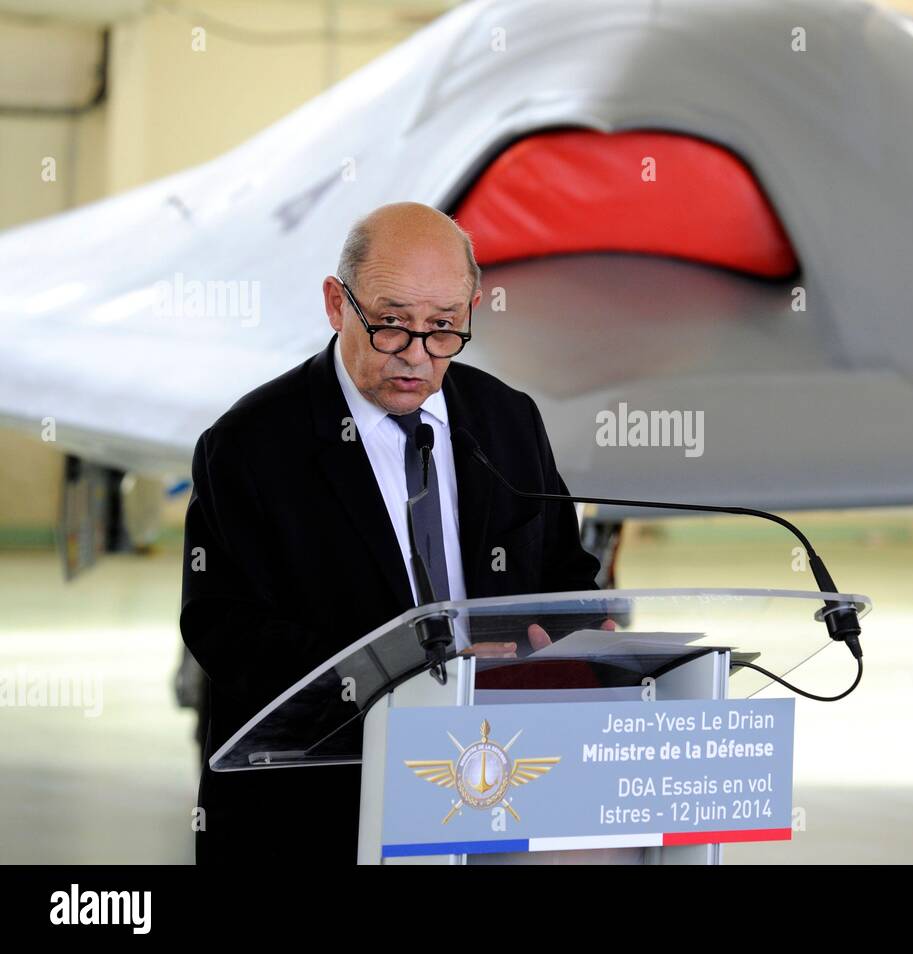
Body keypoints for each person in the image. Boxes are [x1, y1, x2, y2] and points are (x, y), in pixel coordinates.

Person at [180, 202, 603, 864]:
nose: (416, 355)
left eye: (443, 328)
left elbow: (564, 575)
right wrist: (408, 676)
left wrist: (572, 642)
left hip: (494, 791)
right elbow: (225, 630)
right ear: (334, 303)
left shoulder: (507, 421)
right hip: (317, 811)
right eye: (390, 324)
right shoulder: (250, 446)